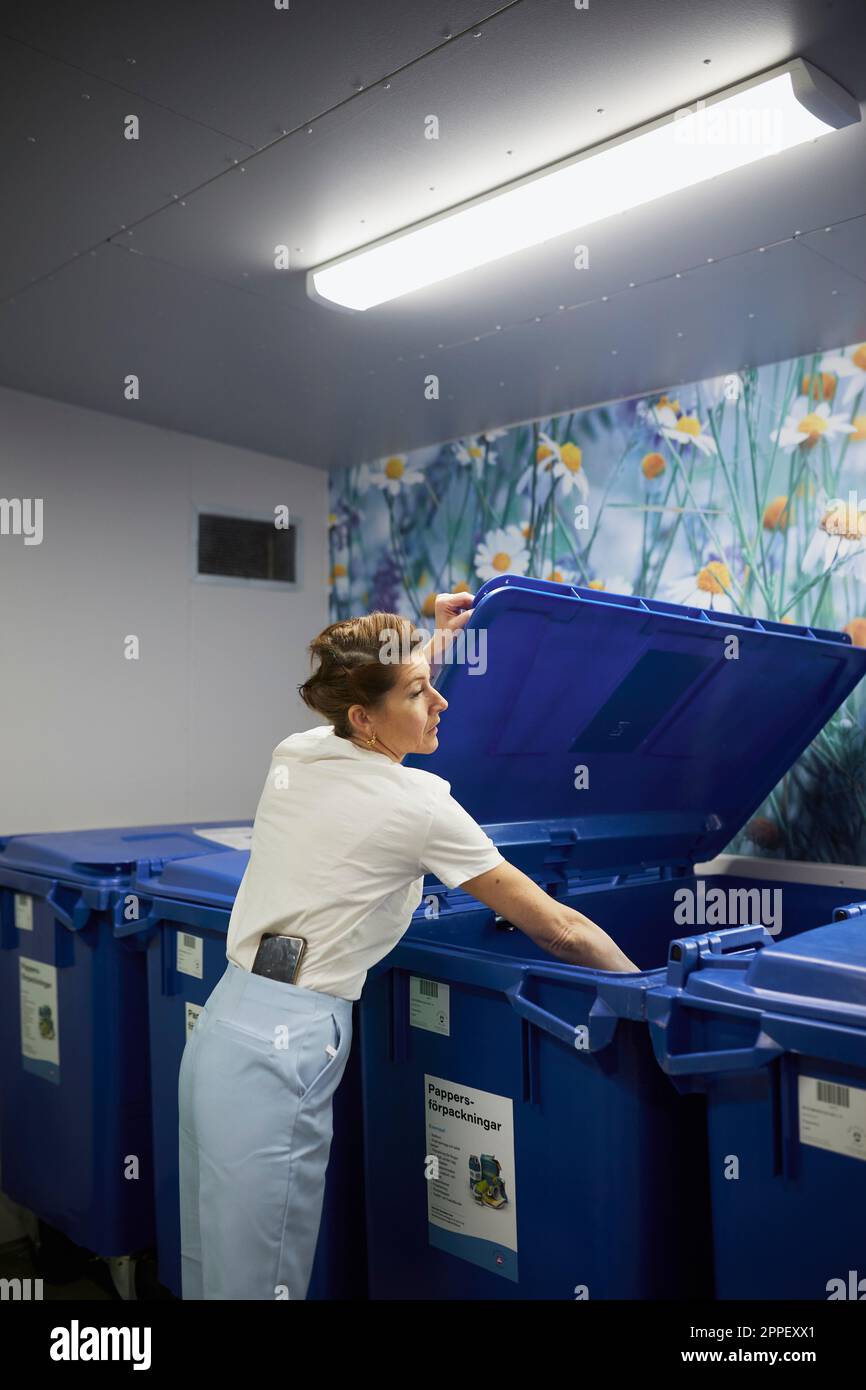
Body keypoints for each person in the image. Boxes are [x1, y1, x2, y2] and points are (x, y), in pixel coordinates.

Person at [178, 591, 638, 1300]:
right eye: (423, 692)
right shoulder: (421, 805)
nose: (441, 703)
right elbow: (559, 928)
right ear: (364, 717)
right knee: (260, 1283)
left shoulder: (298, 750)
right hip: (286, 1048)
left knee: (215, 1268)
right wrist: (653, 993)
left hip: (223, 1028)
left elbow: (382, 689)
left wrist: (437, 640)